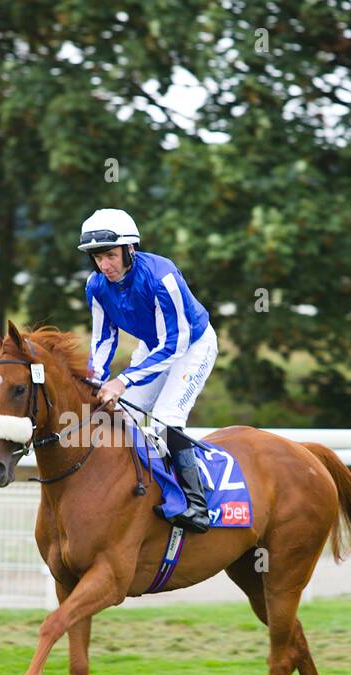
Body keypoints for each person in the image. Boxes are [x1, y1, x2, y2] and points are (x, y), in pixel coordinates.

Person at [79, 208, 218, 533]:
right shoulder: (96, 285)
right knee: (117, 418)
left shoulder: (161, 276)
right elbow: (102, 338)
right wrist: (95, 380)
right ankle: (133, 492)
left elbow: (175, 345)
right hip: (154, 347)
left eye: (111, 255)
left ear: (130, 250)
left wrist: (123, 381)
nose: (105, 265)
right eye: (98, 258)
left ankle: (197, 505)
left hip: (191, 345)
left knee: (168, 418)